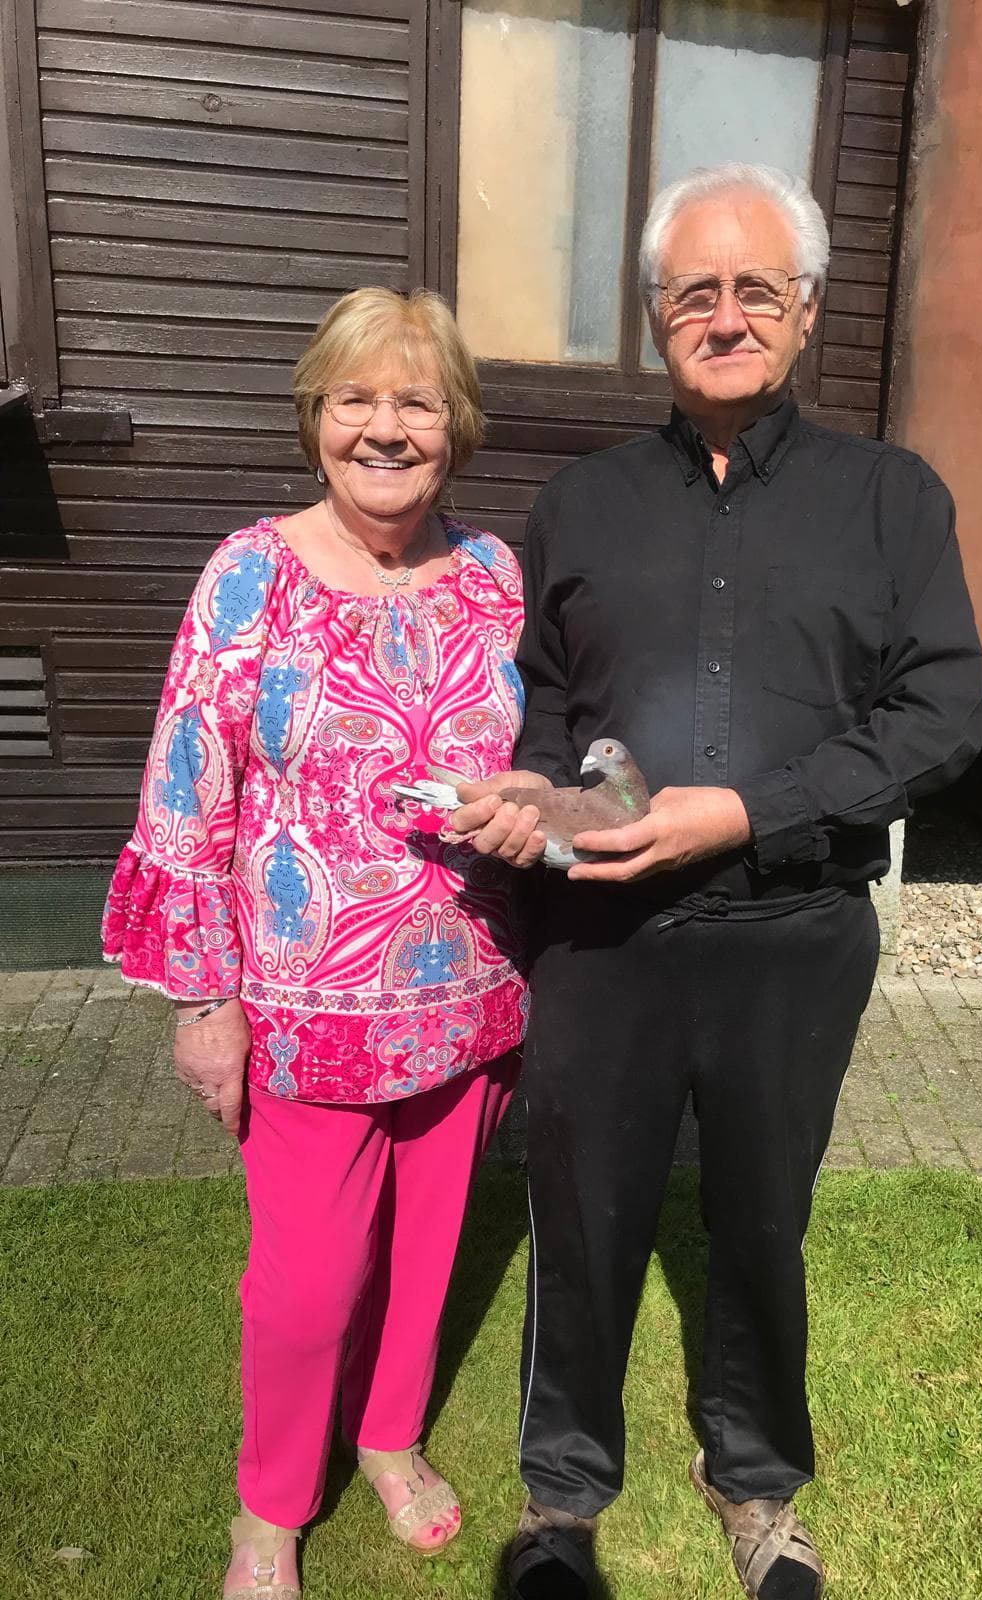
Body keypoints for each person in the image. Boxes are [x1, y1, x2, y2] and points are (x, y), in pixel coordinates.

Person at [452, 163, 982, 1600]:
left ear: (805, 312)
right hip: (603, 937)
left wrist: (746, 809)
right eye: (696, 290)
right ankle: (562, 1500)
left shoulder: (894, 499)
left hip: (795, 932)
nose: (727, 313)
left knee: (759, 1217)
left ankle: (753, 1482)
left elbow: (939, 716)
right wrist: (538, 798)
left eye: (757, 287)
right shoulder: (580, 501)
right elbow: (547, 708)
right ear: (655, 319)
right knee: (584, 1212)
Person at [101, 287, 527, 1598]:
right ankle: (270, 1509)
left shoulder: (495, 574)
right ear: (317, 416)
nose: (386, 429)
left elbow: (533, 758)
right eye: (359, 399)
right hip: (299, 1015)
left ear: (454, 422)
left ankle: (391, 1437)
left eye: (416, 400)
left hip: (467, 992)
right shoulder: (251, 573)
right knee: (305, 1285)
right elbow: (190, 791)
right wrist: (200, 999)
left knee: (430, 1245)